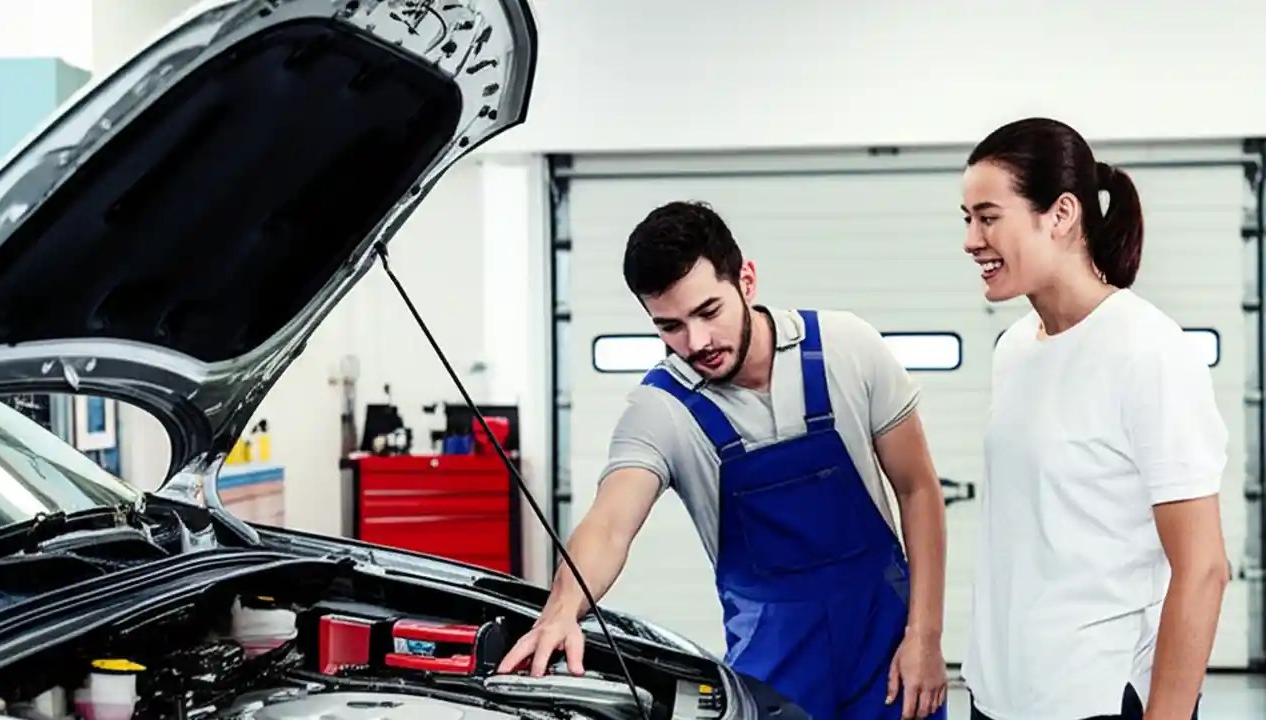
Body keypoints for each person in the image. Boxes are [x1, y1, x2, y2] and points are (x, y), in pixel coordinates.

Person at [498, 200, 951, 720]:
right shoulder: (662, 409)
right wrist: (560, 612)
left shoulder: (846, 349)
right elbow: (607, 525)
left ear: (747, 281)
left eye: (709, 312)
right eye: (670, 326)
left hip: (887, 657)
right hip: (773, 673)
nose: (696, 343)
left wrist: (926, 635)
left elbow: (918, 489)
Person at [959, 117, 1231, 720]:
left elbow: (1204, 568)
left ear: (1060, 214)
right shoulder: (1014, 348)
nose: (971, 240)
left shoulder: (1148, 350)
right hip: (999, 696)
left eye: (988, 216)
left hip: (1096, 698)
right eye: (967, 219)